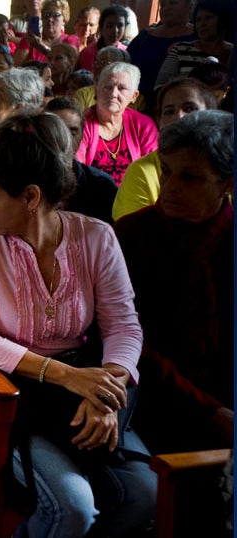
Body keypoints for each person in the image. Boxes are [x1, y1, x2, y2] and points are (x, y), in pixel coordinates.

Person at [0, 112, 156, 537]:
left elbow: (123, 327)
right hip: (15, 393)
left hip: (86, 386)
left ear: (30, 196)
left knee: (143, 495)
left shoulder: (95, 237)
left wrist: (105, 393)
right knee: (73, 508)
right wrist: (70, 377)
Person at [114, 110, 233, 535]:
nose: (171, 188)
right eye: (167, 173)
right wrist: (211, 410)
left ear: (228, 184)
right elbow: (130, 342)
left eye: (191, 177)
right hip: (154, 398)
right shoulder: (131, 236)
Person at [112, 78, 216, 220]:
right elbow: (138, 235)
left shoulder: (223, 166)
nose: (178, 117)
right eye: (169, 111)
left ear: (211, 116)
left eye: (190, 109)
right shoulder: (142, 172)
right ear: (159, 121)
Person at [77, 62, 157, 186]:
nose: (113, 94)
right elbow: (78, 171)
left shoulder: (144, 125)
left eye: (122, 88)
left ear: (134, 96)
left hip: (133, 197)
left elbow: (151, 172)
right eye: (108, 87)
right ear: (96, 90)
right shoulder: (81, 123)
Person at [44, 96, 118, 223]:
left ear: (82, 134)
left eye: (72, 132)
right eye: (57, 131)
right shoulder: (26, 183)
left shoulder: (101, 186)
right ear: (43, 132)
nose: (65, 139)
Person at [125, 0, 194, 110]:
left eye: (173, 3)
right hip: (139, 105)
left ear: (190, 6)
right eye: (163, 5)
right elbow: (125, 65)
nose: (166, 8)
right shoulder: (145, 36)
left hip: (179, 107)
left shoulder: (198, 37)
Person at [153, 0, 232, 90]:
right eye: (198, 20)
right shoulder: (180, 49)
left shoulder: (232, 53)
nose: (202, 24)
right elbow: (160, 87)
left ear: (222, 19)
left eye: (208, 18)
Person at [13, 0, 79, 65]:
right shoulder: (30, 39)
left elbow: (69, 63)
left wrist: (41, 46)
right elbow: (16, 65)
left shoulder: (71, 40)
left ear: (64, 20)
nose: (50, 19)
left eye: (55, 15)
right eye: (46, 15)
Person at [77, 5, 128, 72]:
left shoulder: (126, 53)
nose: (115, 30)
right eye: (109, 26)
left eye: (120, 26)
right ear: (101, 28)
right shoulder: (87, 53)